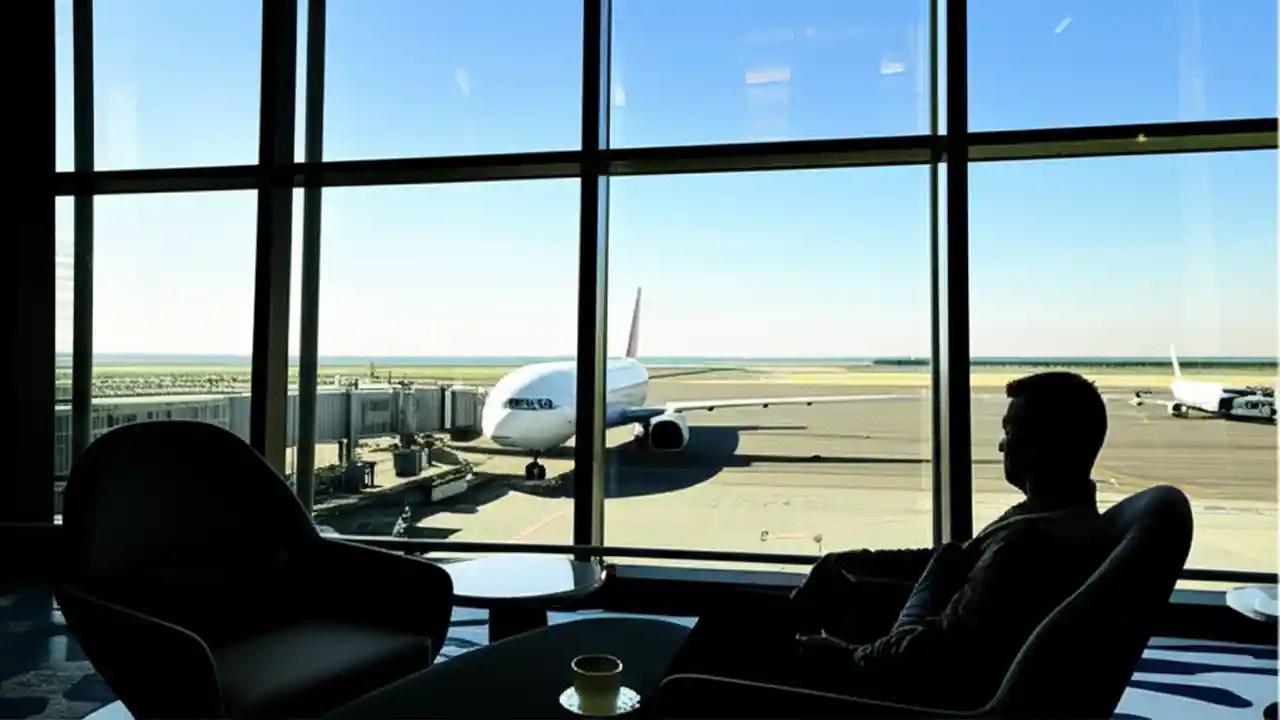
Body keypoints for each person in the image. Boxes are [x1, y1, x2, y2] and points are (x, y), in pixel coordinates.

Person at [661, 372, 1110, 713]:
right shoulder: (1058, 518)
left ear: (1038, 446)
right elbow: (956, 564)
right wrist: (858, 562)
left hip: (887, 688)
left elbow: (940, 654)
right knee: (743, 614)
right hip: (903, 640)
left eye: (1010, 433)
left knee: (717, 640)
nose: (1000, 446)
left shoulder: (1030, 546)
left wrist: (845, 656)